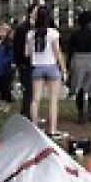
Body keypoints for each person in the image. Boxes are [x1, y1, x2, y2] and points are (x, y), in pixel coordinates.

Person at [26, 7, 67, 136]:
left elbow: (26, 53)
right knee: (53, 100)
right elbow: (58, 52)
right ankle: (52, 129)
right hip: (51, 67)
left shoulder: (31, 34)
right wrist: (64, 69)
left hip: (37, 67)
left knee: (35, 99)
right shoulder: (53, 33)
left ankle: (35, 128)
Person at [67, 11, 91, 124]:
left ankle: (80, 113)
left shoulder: (75, 34)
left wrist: (69, 64)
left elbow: (70, 50)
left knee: (80, 88)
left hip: (77, 60)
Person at [12, 4, 39, 118]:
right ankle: (26, 113)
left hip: (37, 61)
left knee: (33, 90)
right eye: (36, 11)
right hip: (26, 62)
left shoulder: (41, 27)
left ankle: (30, 112)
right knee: (28, 89)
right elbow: (17, 46)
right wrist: (19, 63)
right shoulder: (23, 28)